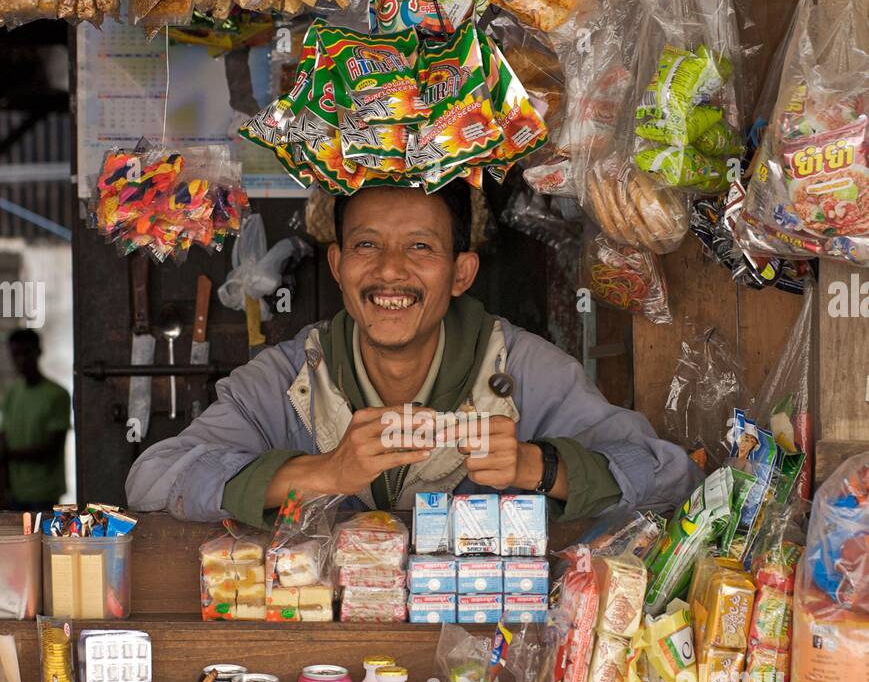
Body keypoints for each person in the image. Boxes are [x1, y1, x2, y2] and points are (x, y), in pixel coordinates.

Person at [126, 182, 701, 526]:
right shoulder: (288, 378)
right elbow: (150, 480)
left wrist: (537, 466)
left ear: (461, 273)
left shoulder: (523, 369)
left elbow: (673, 479)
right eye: (367, 245)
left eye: (421, 247)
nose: (390, 271)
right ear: (338, 267)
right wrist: (325, 472)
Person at [0, 329, 70, 510]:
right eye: (16, 354)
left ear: (38, 352)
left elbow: (51, 448)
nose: (21, 360)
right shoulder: (12, 393)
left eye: (26, 353)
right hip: (16, 492)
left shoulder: (57, 395)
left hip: (44, 493)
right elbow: (4, 436)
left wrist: (9, 455)